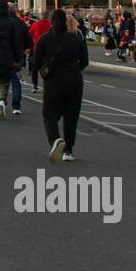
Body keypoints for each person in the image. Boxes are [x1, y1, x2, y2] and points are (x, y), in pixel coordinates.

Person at [30, 8, 89, 162]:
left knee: (49, 114)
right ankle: (68, 150)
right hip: (74, 80)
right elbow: (85, 61)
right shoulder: (75, 39)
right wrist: (74, 68)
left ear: (51, 21)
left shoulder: (44, 39)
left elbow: (35, 62)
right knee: (71, 116)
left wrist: (44, 70)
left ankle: (55, 139)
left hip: (53, 81)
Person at [0, 0, 25, 120]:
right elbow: (15, 42)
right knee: (5, 82)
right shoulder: (11, 22)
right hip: (7, 56)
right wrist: (18, 58)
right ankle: (2, 101)